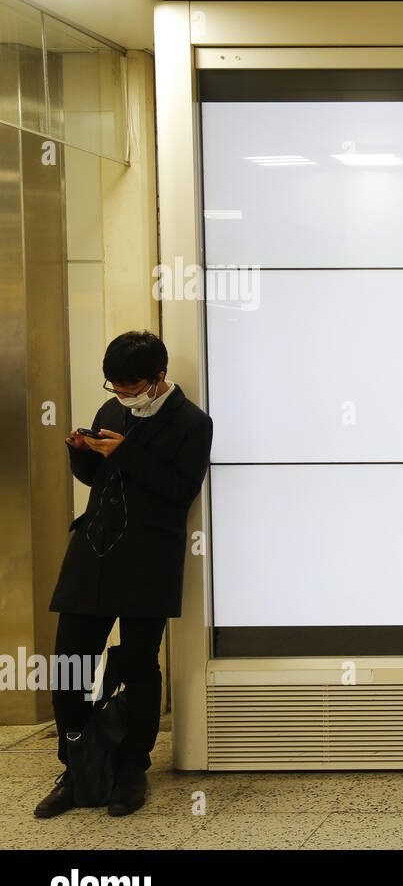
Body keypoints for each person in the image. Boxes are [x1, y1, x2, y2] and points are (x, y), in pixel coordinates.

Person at [34, 330, 213, 819]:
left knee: (138, 664)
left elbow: (180, 491)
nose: (122, 396)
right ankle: (75, 767)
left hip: (149, 559)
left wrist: (125, 454)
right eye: (114, 386)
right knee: (70, 662)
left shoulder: (193, 422)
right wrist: (83, 452)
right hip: (93, 552)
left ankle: (133, 768)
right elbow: (96, 480)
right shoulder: (111, 412)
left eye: (131, 386)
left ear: (157, 378)